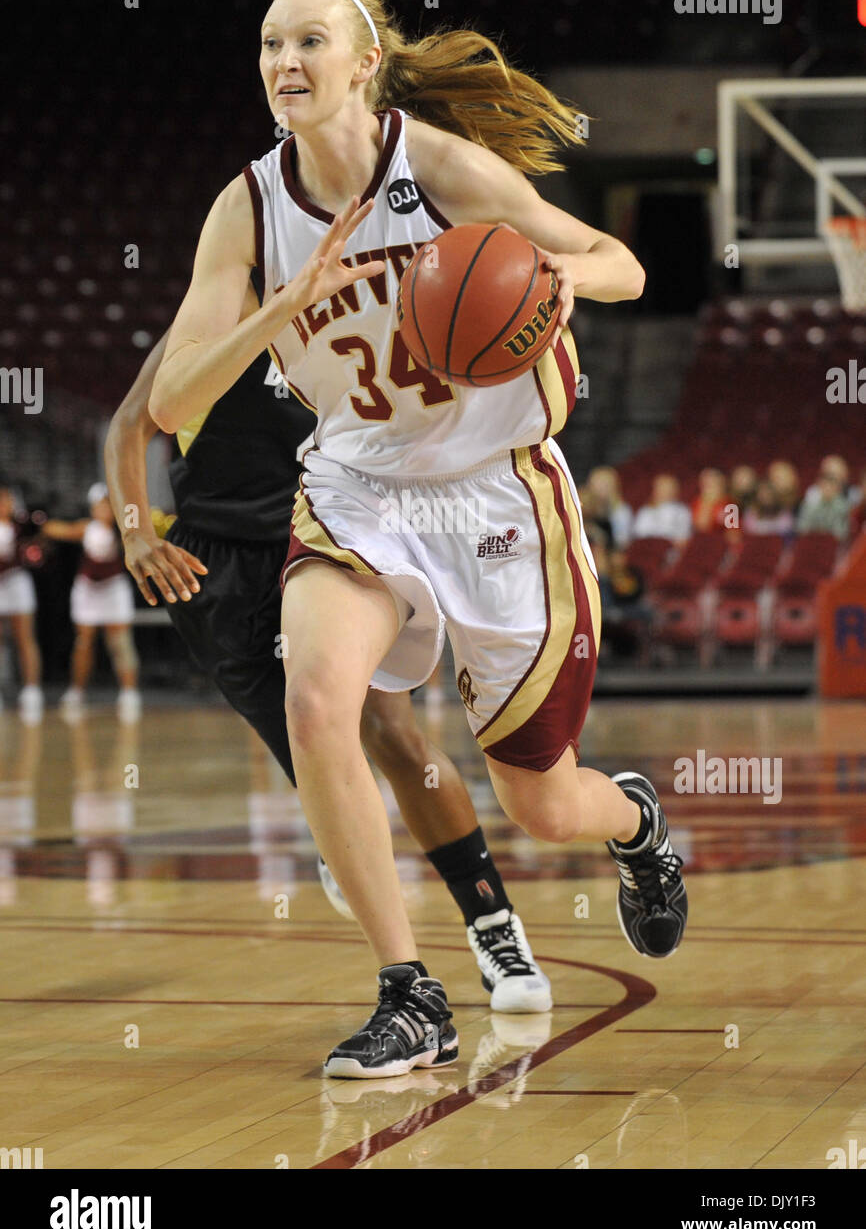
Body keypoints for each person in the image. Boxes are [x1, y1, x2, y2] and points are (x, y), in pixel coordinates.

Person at [149, 0, 687, 1078]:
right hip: (358, 488)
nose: (283, 62)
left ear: (363, 64)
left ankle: (631, 823)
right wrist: (276, 310)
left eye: (308, 41)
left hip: (495, 491)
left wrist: (546, 278)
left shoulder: (435, 167)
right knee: (315, 696)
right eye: (266, 44)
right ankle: (411, 995)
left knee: (540, 802)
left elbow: (621, 263)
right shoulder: (244, 209)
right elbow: (172, 400)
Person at [105, 330, 552, 1013]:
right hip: (214, 561)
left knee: (392, 735)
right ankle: (335, 836)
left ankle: (493, 922)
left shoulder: (354, 306)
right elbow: (130, 422)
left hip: (319, 537)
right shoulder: (218, 307)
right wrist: (136, 530)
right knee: (313, 744)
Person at [42, 484, 141, 720]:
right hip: (88, 590)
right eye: (100, 505)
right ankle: (77, 691)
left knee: (120, 643)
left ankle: (129, 693)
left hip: (114, 588)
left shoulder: (124, 530)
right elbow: (54, 529)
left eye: (108, 504)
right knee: (84, 642)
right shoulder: (86, 528)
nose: (104, 509)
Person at [0, 484, 44, 721]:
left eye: (7, 500)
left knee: (25, 638)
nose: (3, 504)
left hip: (16, 583)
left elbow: (38, 549)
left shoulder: (22, 526)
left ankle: (32, 690)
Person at [796, 464, 851, 541]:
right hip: (811, 543)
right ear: (819, 485)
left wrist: (826, 535)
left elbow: (842, 533)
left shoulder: (843, 506)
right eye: (825, 485)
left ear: (838, 488)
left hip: (834, 544)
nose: (828, 488)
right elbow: (801, 529)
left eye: (832, 485)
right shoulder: (809, 504)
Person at [632, 473, 692, 542]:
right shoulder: (645, 511)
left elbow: (683, 537)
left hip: (668, 548)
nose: (664, 491)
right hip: (647, 547)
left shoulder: (681, 511)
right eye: (661, 487)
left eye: (668, 488)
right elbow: (638, 534)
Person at [585, 466, 633, 547]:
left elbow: (622, 542)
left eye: (603, 484)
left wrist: (599, 535)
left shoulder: (621, 510)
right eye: (595, 484)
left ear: (613, 486)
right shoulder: (586, 507)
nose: (598, 488)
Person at [691, 467, 728, 533]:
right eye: (704, 480)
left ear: (721, 482)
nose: (707, 482)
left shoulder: (730, 504)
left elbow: (734, 533)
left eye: (712, 479)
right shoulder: (694, 502)